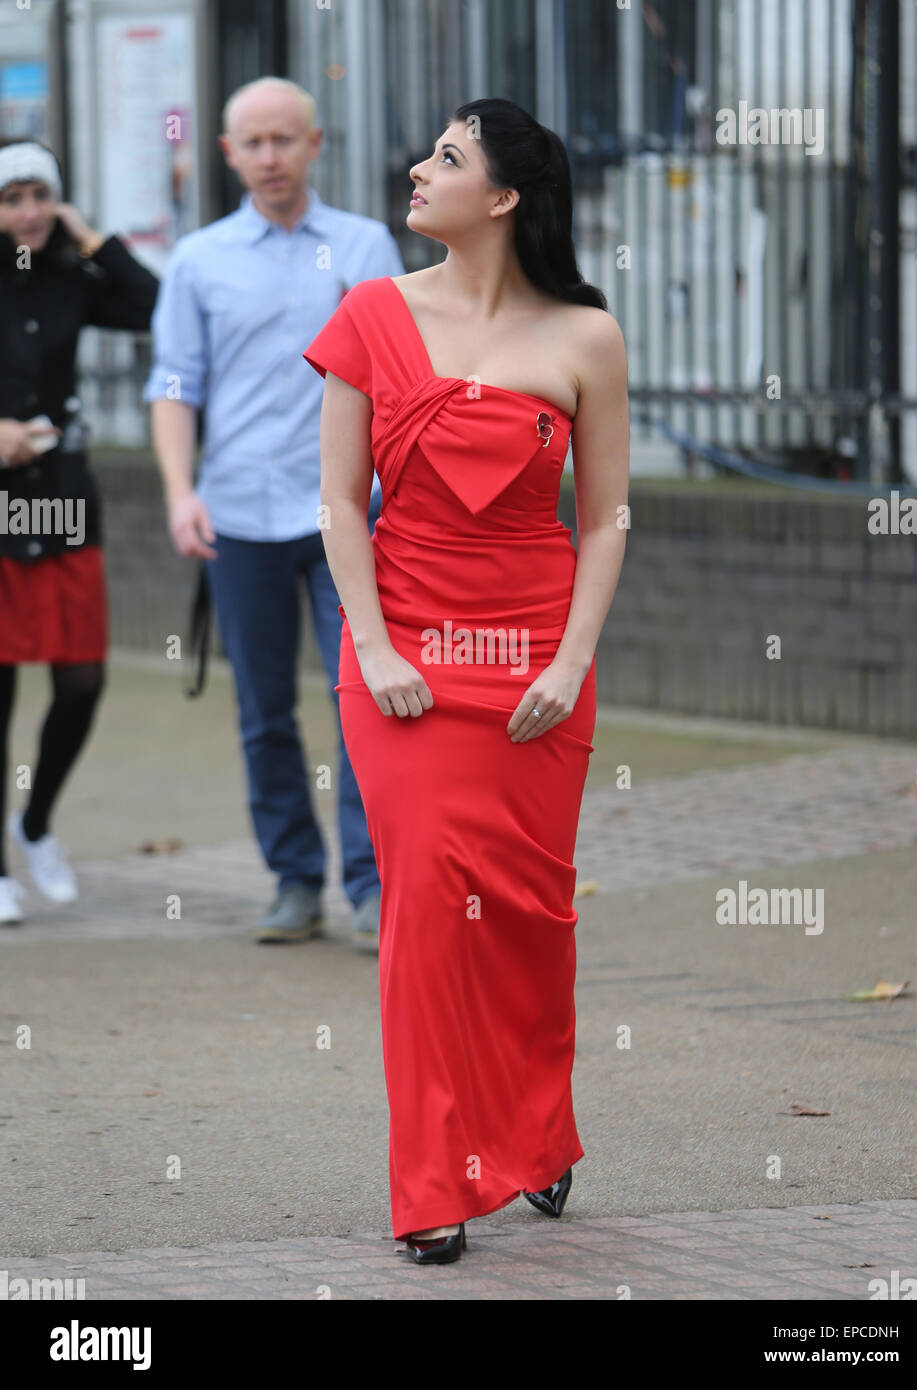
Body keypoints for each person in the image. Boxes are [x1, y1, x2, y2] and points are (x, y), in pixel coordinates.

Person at [302, 97, 629, 1263]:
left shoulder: (585, 336)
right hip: (399, 662)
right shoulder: (370, 313)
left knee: (530, 920)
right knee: (430, 921)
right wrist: (376, 643)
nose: (416, 167)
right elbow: (340, 501)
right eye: (427, 152)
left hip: (541, 663)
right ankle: (433, 1182)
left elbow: (603, 519)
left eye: (446, 157)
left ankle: (533, 1135)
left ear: (502, 198)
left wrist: (573, 658)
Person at [145, 78, 404, 950]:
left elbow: (400, 384)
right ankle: (294, 880)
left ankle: (370, 886)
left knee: (361, 701)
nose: (269, 157)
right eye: (251, 143)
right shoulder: (199, 259)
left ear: (314, 143)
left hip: (348, 520)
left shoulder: (367, 247)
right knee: (263, 711)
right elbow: (174, 385)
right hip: (240, 515)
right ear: (227, 153)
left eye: (284, 140)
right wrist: (182, 494)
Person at [0, 138, 159, 925]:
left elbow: (151, 305)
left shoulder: (72, 275)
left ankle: (33, 825)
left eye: (39, 195)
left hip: (63, 502)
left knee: (81, 677)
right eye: (11, 196)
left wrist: (90, 237)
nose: (26, 212)